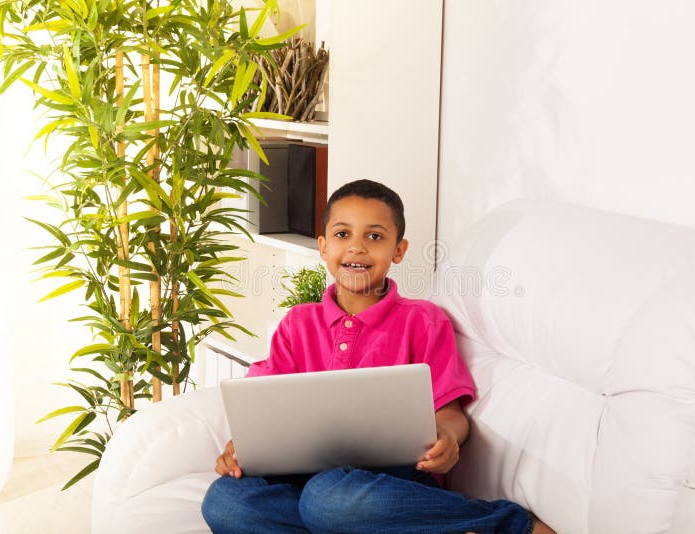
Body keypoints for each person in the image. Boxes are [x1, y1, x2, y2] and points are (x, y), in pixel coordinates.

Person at [201, 179, 554, 534]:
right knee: (226, 501)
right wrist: (241, 447)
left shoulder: (423, 321)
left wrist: (447, 438)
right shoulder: (298, 324)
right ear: (322, 247)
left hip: (394, 479)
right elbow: (259, 408)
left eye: (374, 237)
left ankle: (508, 524)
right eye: (342, 235)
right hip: (303, 477)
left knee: (330, 500)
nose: (356, 248)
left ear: (398, 251)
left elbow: (450, 413)